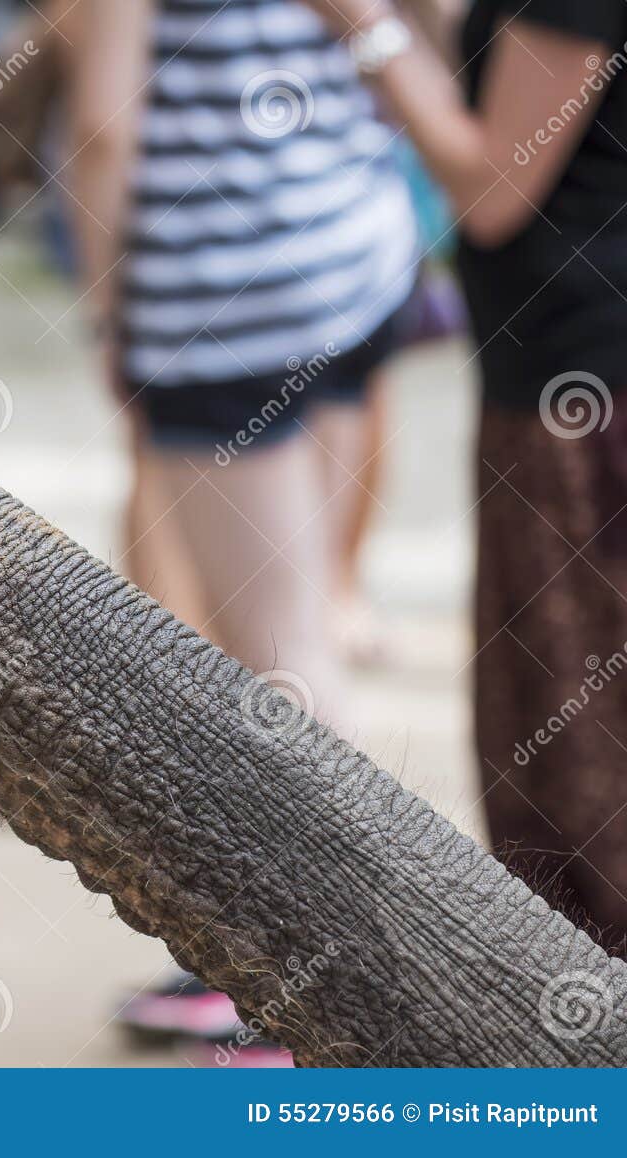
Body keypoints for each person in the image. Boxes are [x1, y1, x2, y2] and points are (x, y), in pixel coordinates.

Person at [65, 0, 419, 1058]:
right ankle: (266, 961)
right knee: (295, 632)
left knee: (279, 655)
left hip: (222, 298)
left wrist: (104, 312)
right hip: (347, 258)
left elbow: (102, 126)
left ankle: (318, 990)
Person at [292, 0, 627, 952]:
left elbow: (491, 190)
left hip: (583, 391)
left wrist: (366, 29)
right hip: (562, 378)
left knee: (576, 754)